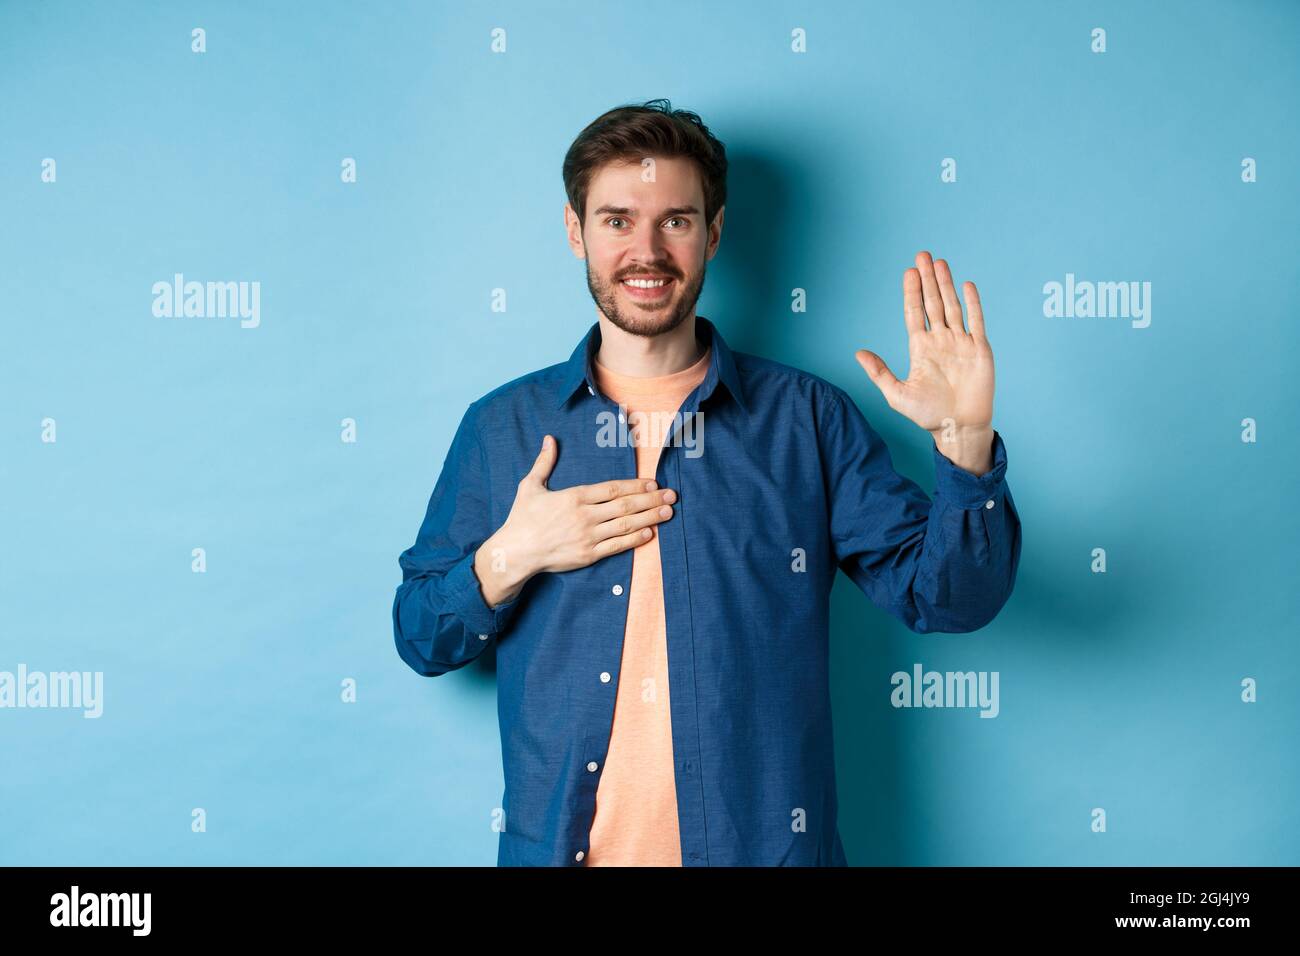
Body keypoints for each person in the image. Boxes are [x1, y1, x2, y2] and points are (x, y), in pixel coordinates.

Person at [392, 99, 1022, 866]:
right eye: (618, 220)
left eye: (676, 221)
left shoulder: (808, 421)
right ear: (575, 231)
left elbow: (949, 600)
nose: (646, 251)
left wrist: (964, 446)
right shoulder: (502, 430)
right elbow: (421, 637)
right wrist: (507, 559)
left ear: (714, 234)